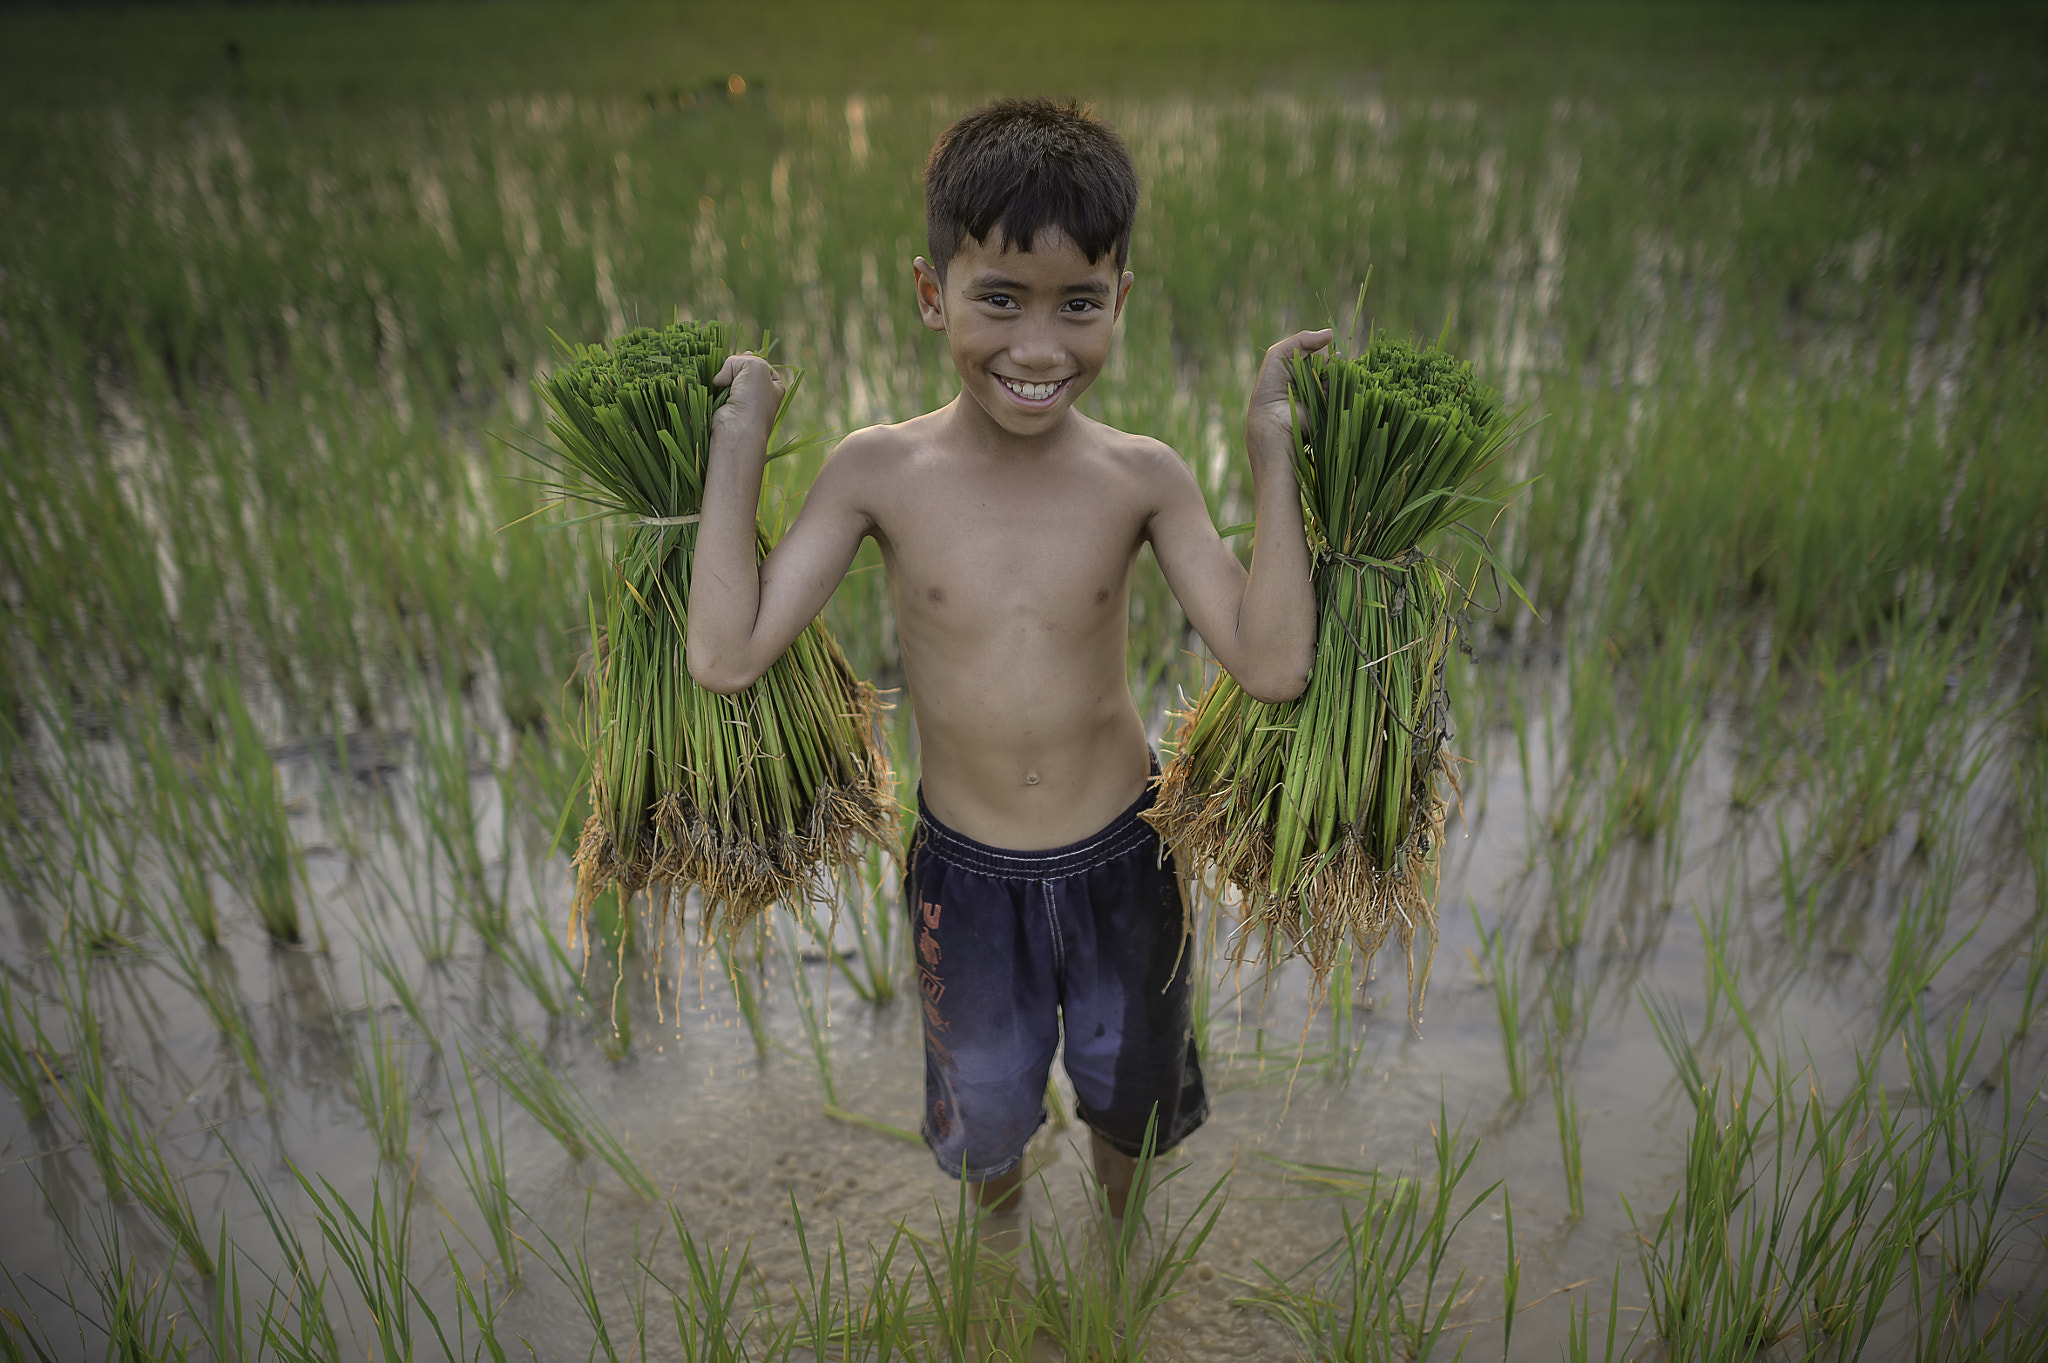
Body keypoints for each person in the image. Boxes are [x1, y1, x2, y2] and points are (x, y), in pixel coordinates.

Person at [687, 97, 1323, 1217]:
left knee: (1131, 1103)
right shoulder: (878, 471)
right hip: (964, 878)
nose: (1038, 346)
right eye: (999, 299)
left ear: (1120, 300)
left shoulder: (1143, 476)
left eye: (1078, 303)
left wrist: (1268, 444)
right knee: (984, 1120)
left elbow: (1270, 664)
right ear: (932, 295)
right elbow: (726, 653)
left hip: (1126, 856)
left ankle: (1119, 1263)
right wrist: (737, 443)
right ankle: (999, 1272)